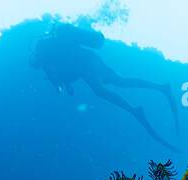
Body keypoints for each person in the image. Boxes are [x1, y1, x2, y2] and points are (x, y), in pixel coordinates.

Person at [30, 23, 178, 150]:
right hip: (87, 61)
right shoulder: (46, 51)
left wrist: (64, 82)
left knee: (111, 86)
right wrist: (66, 83)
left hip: (86, 63)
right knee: (117, 82)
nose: (41, 66)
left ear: (37, 59)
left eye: (38, 64)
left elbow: (62, 73)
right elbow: (65, 70)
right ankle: (157, 91)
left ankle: (140, 105)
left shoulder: (45, 54)